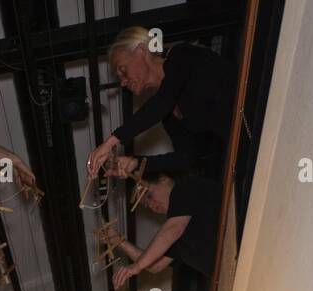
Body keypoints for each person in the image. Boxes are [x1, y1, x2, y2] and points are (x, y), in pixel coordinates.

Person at [85, 27, 236, 181]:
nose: (123, 82)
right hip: (243, 138)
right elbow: (185, 158)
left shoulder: (181, 55)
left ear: (141, 51)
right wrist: (136, 163)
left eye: (123, 70)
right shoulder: (167, 113)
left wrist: (110, 142)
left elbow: (163, 101)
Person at [107, 173, 222, 290]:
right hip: (226, 272)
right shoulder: (178, 226)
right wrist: (120, 241)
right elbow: (155, 265)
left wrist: (137, 266)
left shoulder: (184, 187)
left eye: (149, 195)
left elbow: (173, 229)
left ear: (164, 180)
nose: (152, 205)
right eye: (147, 204)